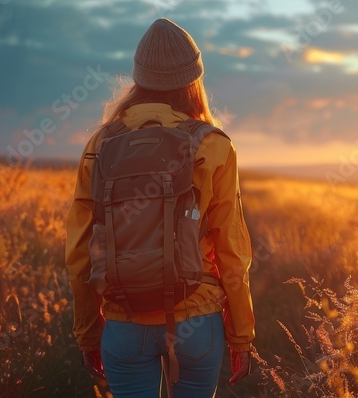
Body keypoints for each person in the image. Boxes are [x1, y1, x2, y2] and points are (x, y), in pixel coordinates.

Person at [64, 18, 255, 397]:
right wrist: (241, 335)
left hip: (123, 323)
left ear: (139, 78)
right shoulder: (214, 145)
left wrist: (88, 333)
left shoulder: (100, 144)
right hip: (196, 320)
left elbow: (79, 254)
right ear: (193, 80)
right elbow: (232, 251)